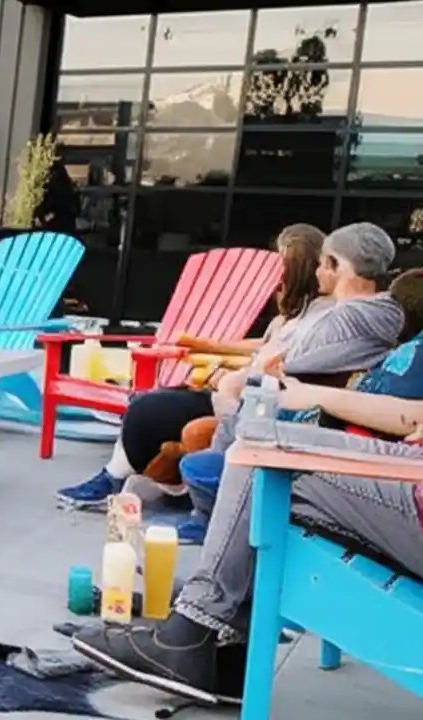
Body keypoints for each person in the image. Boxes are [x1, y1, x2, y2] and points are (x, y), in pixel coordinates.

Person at [72, 335, 423, 705]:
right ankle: (227, 645)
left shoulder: (373, 316)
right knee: (259, 439)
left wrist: (310, 394)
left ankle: (192, 631)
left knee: (261, 455)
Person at [58, 223, 405, 509]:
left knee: (149, 409)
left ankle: (129, 481)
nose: (316, 272)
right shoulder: (345, 313)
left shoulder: (345, 316)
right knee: (150, 405)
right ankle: (121, 478)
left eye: (322, 264)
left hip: (265, 402)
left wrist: (230, 371)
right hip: (258, 392)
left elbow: (284, 362)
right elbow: (278, 356)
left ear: (334, 264)